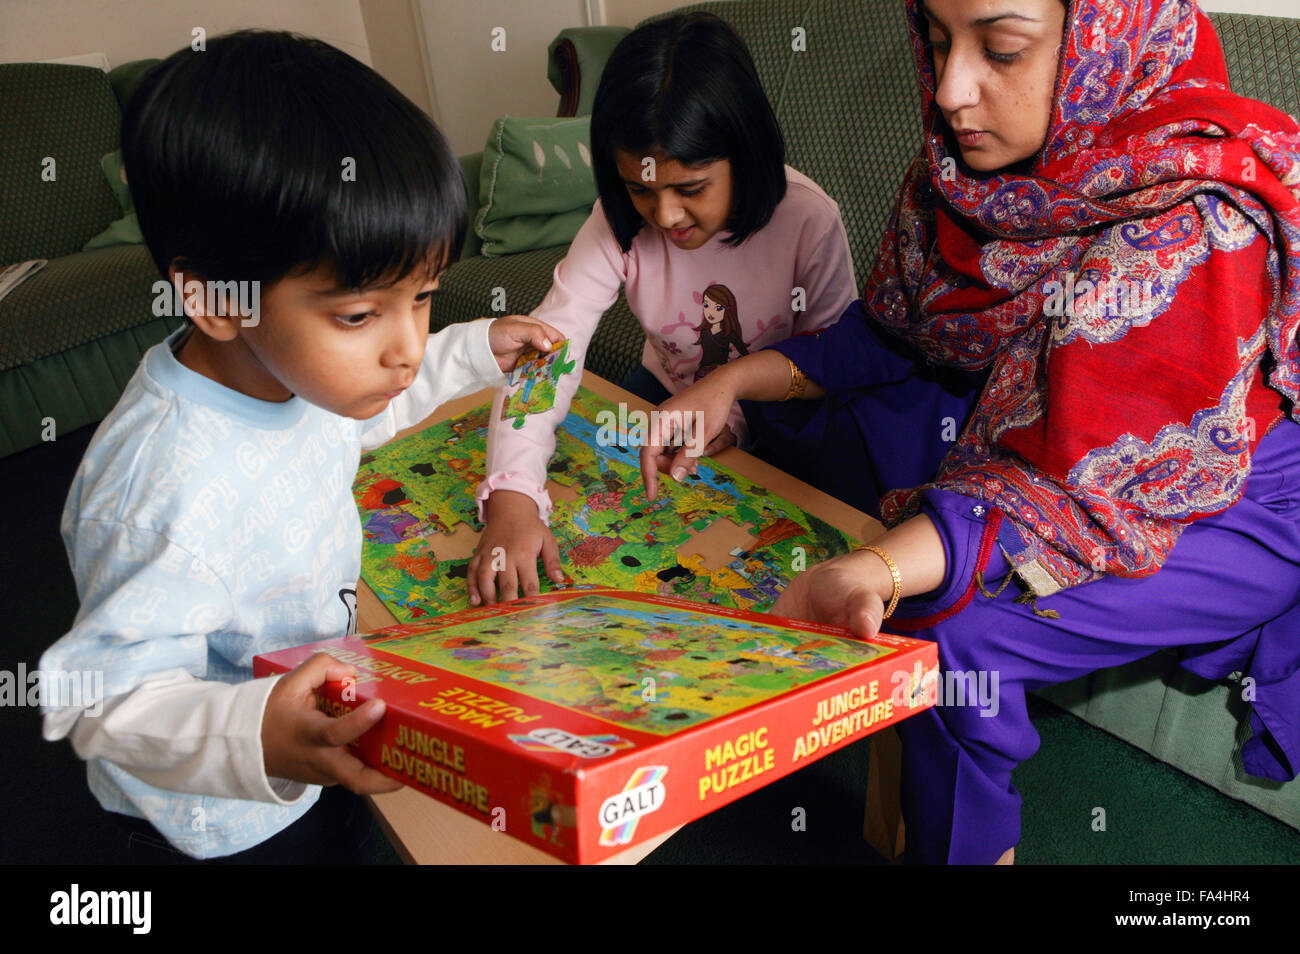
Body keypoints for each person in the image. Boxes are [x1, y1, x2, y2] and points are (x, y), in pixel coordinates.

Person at [645, 0, 1300, 864]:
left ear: (1103, 45)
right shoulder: (960, 176)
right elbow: (885, 335)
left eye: (1000, 48)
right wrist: (728, 381)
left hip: (1227, 498)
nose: (953, 89)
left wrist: (876, 566)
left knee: (952, 630)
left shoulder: (1195, 213)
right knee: (837, 424)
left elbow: (1074, 484)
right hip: (1037, 441)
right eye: (940, 41)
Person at [37, 30, 558, 861]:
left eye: (422, 297)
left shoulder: (299, 375)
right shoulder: (162, 486)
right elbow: (97, 701)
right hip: (210, 815)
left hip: (308, 724)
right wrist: (259, 734)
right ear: (214, 299)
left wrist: (471, 349)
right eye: (358, 315)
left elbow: (370, 413)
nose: (406, 348)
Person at [467, 12, 858, 605]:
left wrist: (738, 414)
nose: (666, 215)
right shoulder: (616, 221)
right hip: (659, 394)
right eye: (641, 189)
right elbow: (550, 351)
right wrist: (512, 498)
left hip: (785, 421)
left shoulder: (809, 220)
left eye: (691, 188)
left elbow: (836, 367)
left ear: (745, 153)